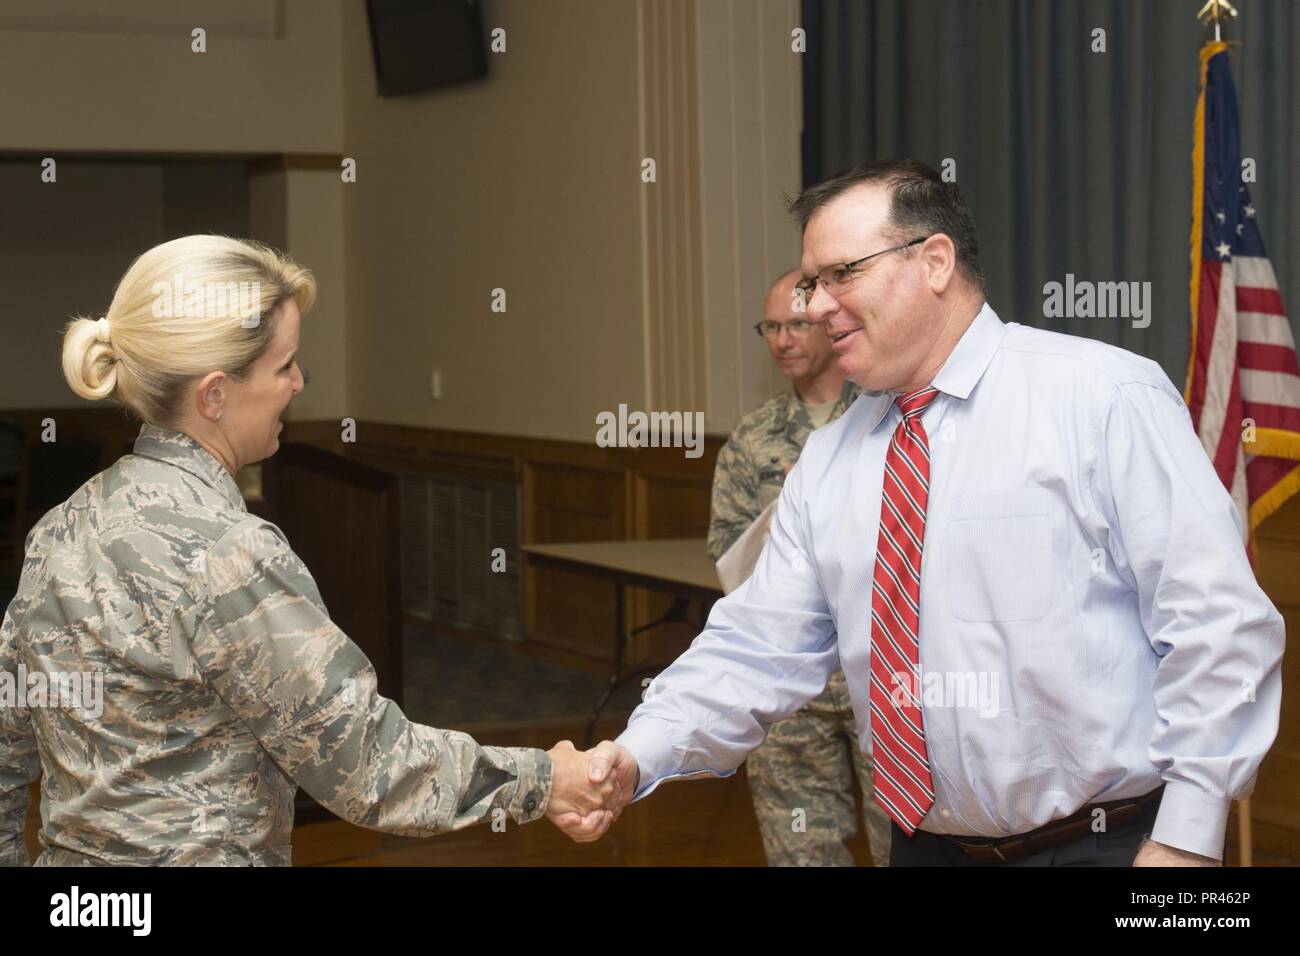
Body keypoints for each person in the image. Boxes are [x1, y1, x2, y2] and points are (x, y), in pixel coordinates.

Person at [560, 160, 1284, 866]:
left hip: (1116, 845)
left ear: (935, 260)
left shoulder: (1100, 398)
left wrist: (1188, 837)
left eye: (842, 274)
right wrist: (633, 756)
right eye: (811, 284)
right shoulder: (830, 461)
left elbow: (1217, 624)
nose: (813, 306)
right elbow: (757, 647)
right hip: (923, 847)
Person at [0, 235, 618, 866]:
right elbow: (370, 768)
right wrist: (548, 778)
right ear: (213, 395)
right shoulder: (229, 553)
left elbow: (6, 746)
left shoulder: (60, 528)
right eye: (284, 365)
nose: (298, 382)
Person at [709, 269, 889, 866]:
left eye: (796, 325)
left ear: (829, 323)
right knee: (803, 854)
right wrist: (783, 517)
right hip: (791, 687)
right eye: (771, 327)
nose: (782, 340)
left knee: (908, 852)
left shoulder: (884, 417)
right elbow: (728, 563)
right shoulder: (754, 438)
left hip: (884, 679)